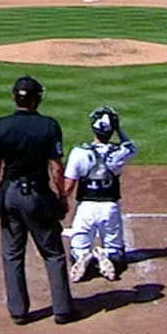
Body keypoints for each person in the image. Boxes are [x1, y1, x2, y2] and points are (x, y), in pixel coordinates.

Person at [0, 76, 75, 325]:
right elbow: (56, 168)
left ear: (15, 98)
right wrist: (62, 196)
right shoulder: (49, 125)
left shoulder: (2, 125)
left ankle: (18, 312)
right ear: (37, 99)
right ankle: (62, 310)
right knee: (53, 253)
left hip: (10, 195)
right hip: (38, 195)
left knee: (12, 254)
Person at [63, 106, 137, 283]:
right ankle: (106, 255)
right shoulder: (119, 153)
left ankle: (84, 256)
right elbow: (131, 147)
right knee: (117, 253)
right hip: (110, 207)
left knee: (75, 251)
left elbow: (68, 186)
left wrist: (60, 200)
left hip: (86, 208)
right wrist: (118, 128)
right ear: (111, 131)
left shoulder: (79, 152)